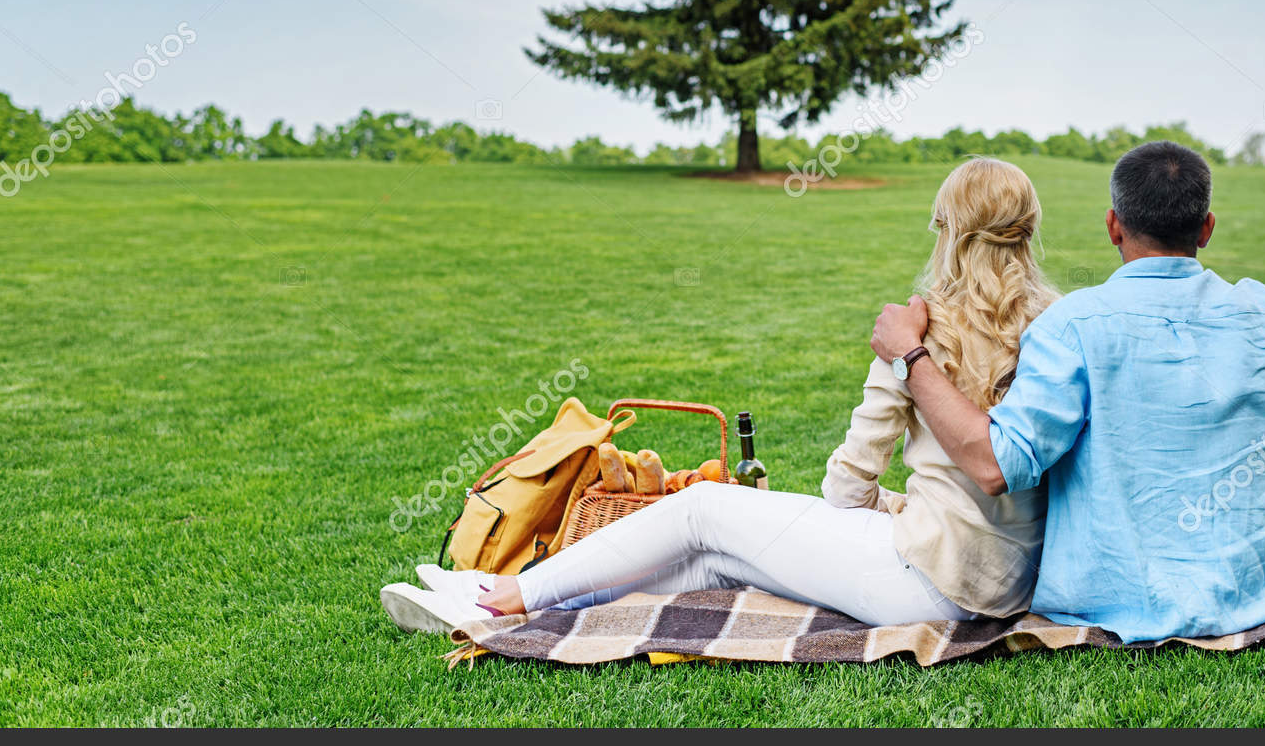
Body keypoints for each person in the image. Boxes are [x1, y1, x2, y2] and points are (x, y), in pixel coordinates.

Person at [381, 158, 1057, 633]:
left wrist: (895, 509)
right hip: (1006, 584)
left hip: (929, 583)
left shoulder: (916, 332)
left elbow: (847, 491)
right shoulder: (1057, 327)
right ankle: (509, 607)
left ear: (946, 231)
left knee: (703, 507)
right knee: (713, 561)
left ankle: (505, 593)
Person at [868, 141, 1265, 643]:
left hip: (1116, 602)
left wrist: (909, 356)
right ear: (1207, 228)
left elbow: (994, 466)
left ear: (1113, 226)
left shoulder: (1073, 326)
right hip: (1251, 597)